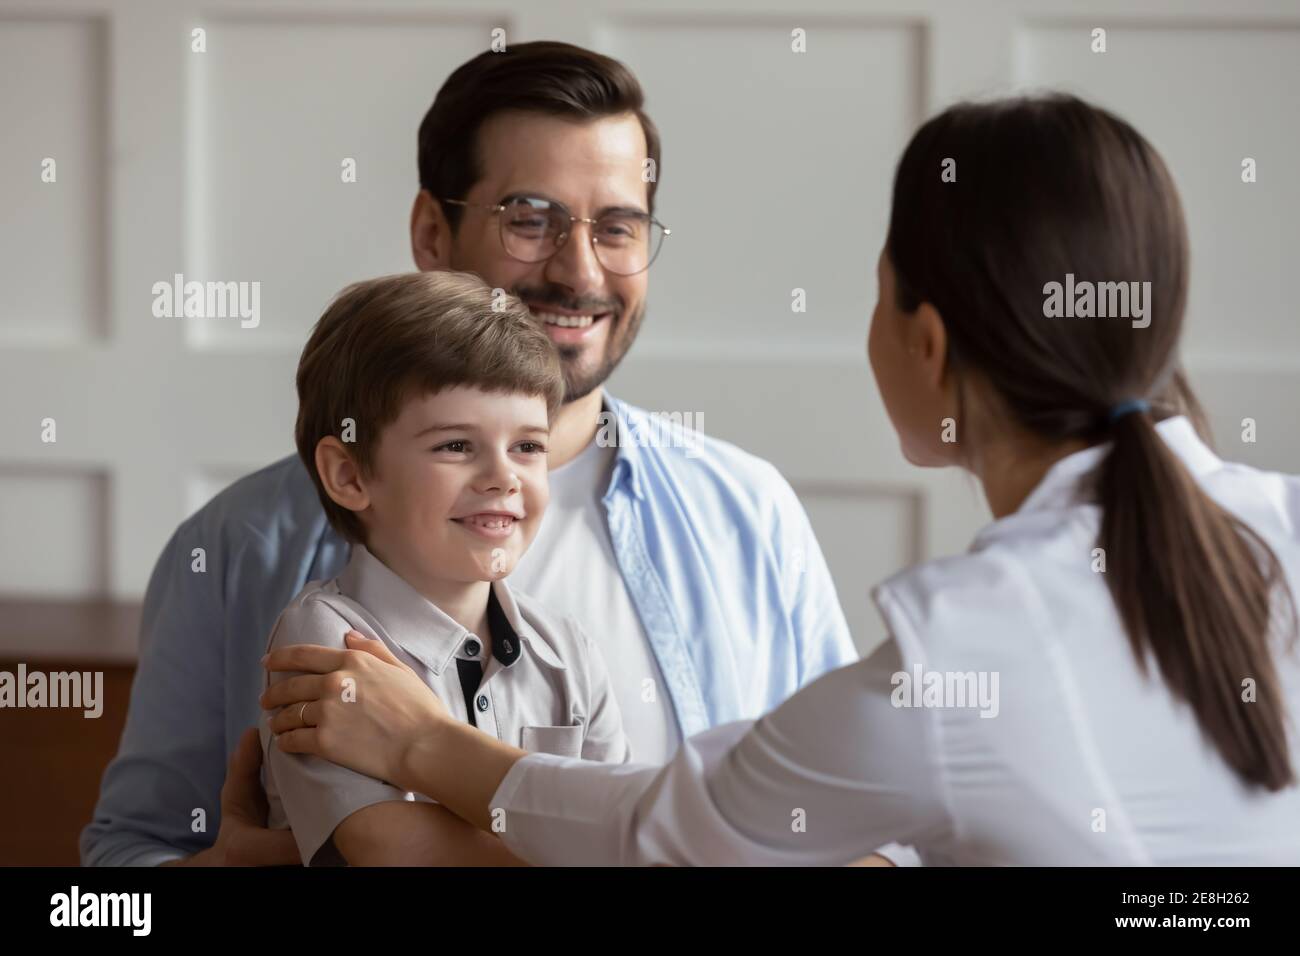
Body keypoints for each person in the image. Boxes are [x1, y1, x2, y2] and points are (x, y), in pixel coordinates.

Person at [262, 93, 1300, 865]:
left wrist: (425, 745)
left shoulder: (954, 648)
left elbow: (668, 835)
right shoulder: (1277, 523)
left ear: (926, 343)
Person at [82, 40, 869, 867]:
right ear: (432, 229)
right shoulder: (237, 547)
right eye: (530, 220)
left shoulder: (748, 513)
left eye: (618, 227)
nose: (579, 271)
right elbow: (119, 869)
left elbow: (862, 829)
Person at [261, 272, 628, 866]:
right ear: (350, 476)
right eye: (456, 446)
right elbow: (388, 846)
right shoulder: (329, 639)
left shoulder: (569, 653)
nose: (503, 476)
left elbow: (621, 835)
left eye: (528, 447)